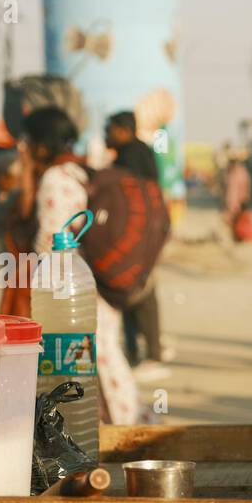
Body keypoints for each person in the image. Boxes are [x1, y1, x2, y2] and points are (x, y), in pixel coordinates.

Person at [4, 105, 139, 426]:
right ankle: (127, 425)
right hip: (97, 280)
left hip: (74, 290)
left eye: (27, 141)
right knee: (105, 355)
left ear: (39, 144)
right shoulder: (82, 170)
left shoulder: (55, 178)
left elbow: (51, 244)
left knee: (98, 360)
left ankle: (130, 428)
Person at [105, 110, 168, 375]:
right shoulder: (133, 154)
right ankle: (134, 351)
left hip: (142, 234)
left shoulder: (132, 157)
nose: (106, 135)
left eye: (110, 129)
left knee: (142, 291)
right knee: (130, 290)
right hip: (143, 233)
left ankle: (153, 353)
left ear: (123, 130)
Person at [105, 111, 160, 182]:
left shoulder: (131, 155)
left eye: (109, 130)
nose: (107, 136)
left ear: (125, 131)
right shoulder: (140, 149)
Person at [222, 148, 252, 243]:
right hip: (230, 202)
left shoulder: (241, 173)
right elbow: (226, 189)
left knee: (239, 222)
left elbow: (245, 188)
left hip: (239, 202)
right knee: (231, 222)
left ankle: (240, 237)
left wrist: (244, 200)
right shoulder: (228, 173)